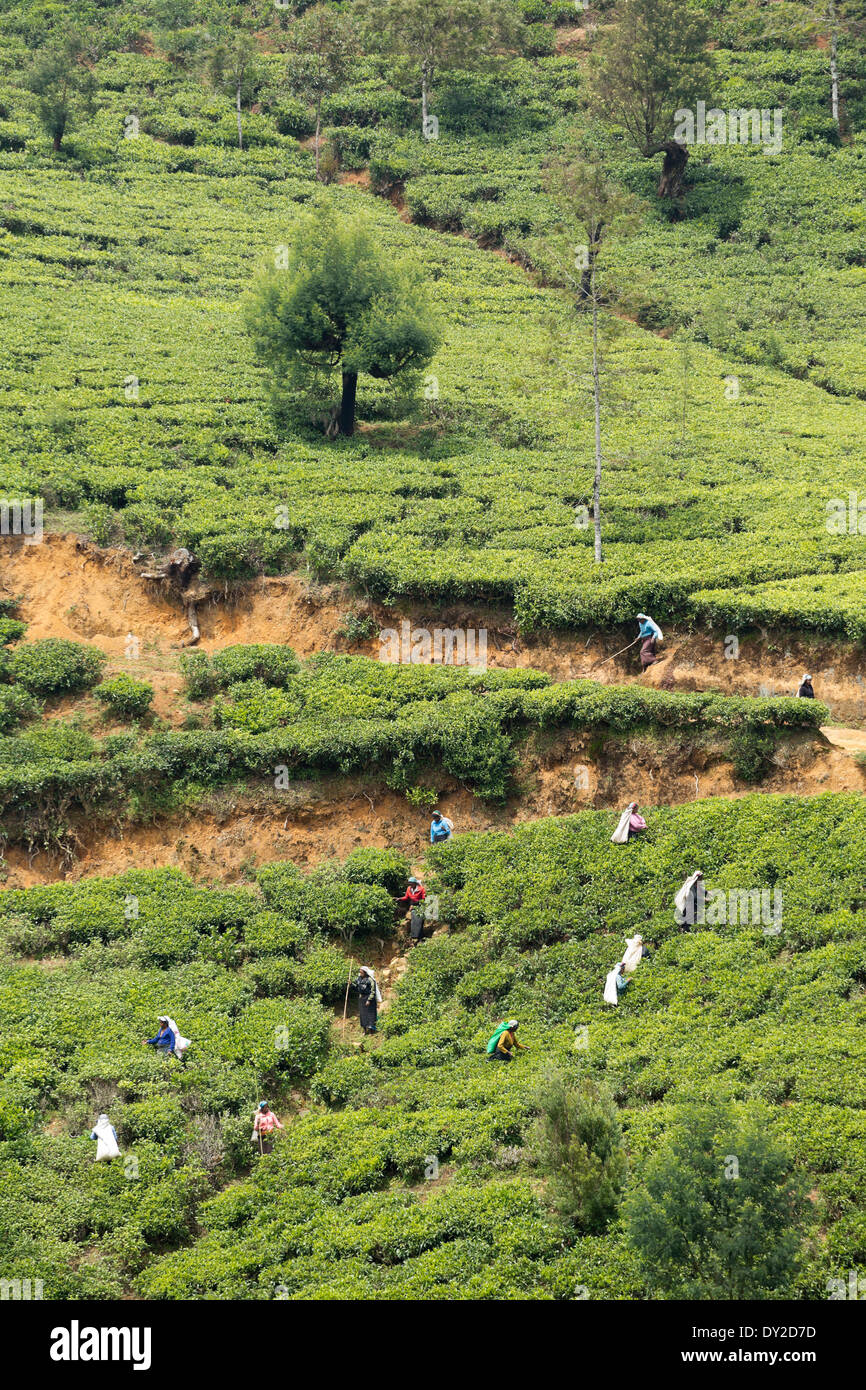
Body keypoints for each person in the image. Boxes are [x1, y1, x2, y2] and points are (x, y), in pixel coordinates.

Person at [354, 965, 382, 1035]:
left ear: (365, 973)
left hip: (369, 999)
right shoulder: (359, 979)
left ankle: (371, 1031)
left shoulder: (370, 980)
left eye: (362, 973)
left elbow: (373, 991)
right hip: (362, 999)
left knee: (370, 1014)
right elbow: (357, 987)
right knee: (363, 1014)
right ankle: (364, 1030)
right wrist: (351, 984)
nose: (360, 974)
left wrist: (369, 1000)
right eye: (360, 973)